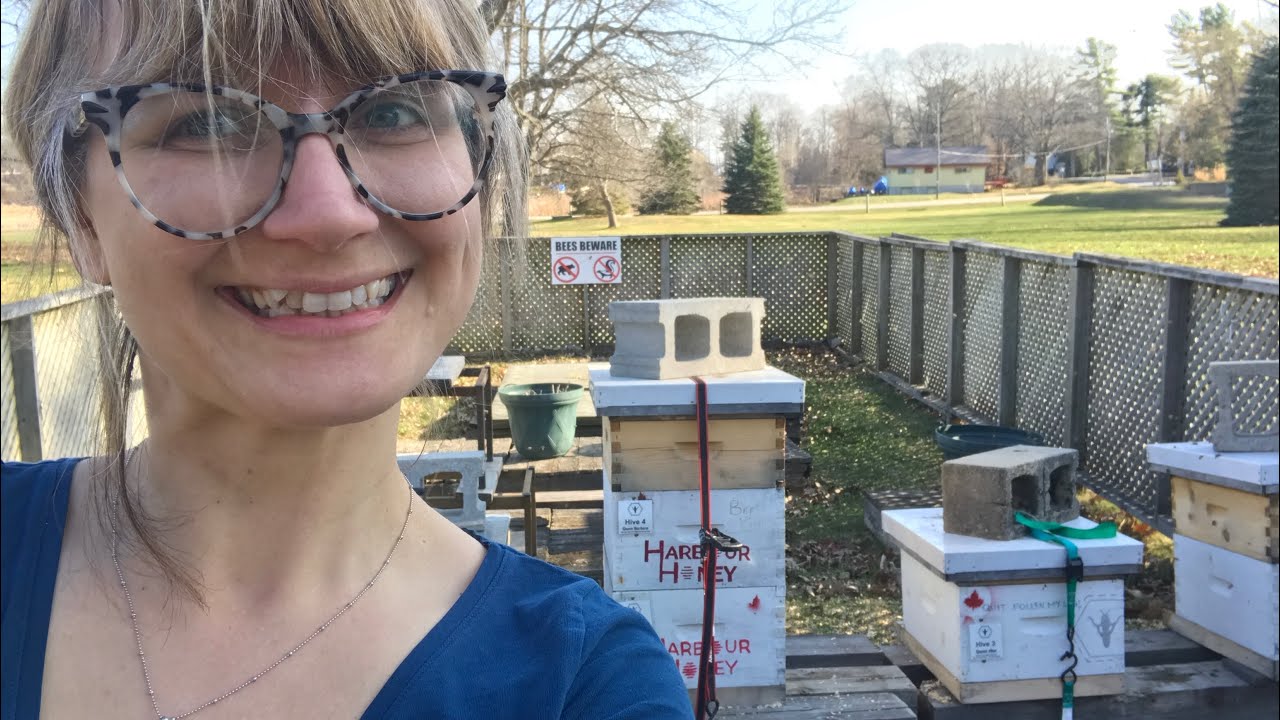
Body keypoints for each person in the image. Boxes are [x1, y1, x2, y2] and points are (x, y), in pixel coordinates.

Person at [0, 1, 693, 718]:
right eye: (206, 121)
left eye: (394, 113)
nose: (329, 212)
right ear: (77, 217)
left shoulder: (585, 687)